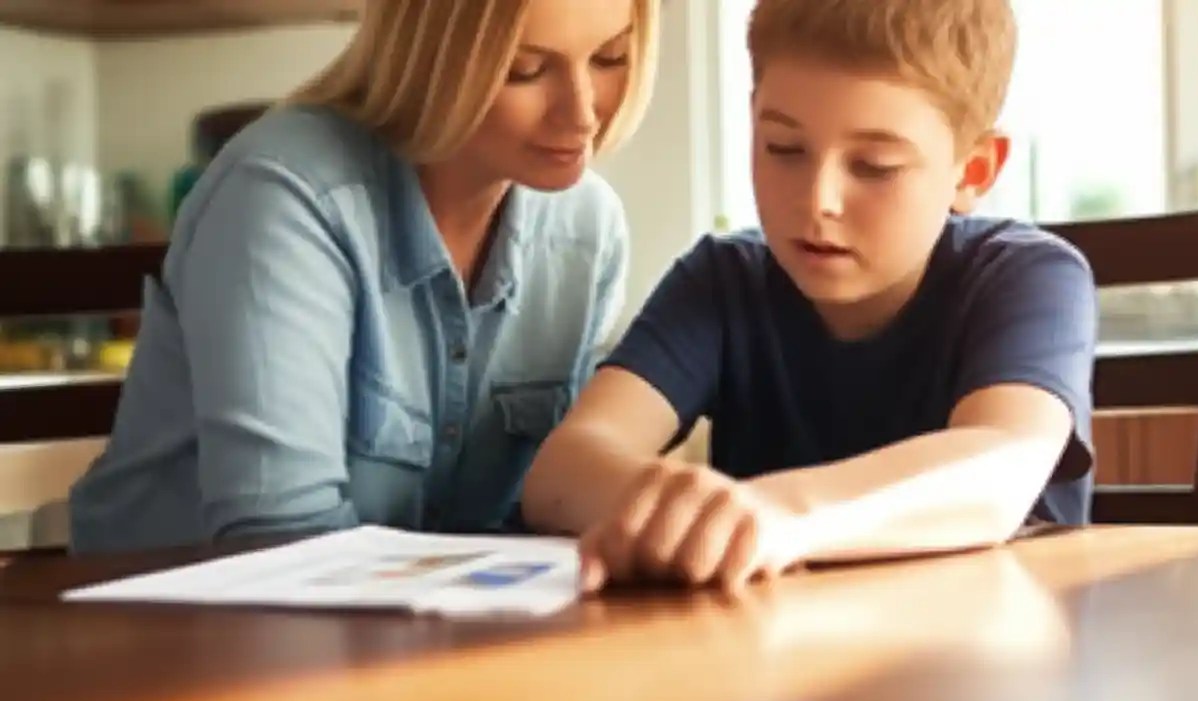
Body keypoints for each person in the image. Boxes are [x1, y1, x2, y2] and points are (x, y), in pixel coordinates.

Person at [521, 0, 1097, 593]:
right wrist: (684, 515)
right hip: (766, 655)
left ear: (973, 170)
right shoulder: (723, 283)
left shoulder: (1027, 277)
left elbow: (1002, 465)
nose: (819, 199)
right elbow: (562, 470)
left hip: (986, 657)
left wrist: (780, 512)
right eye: (783, 149)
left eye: (874, 166)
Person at [68, 0, 659, 554]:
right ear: (430, 58)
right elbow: (280, 545)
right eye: (526, 71)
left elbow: (541, 512)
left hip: (418, 638)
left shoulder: (588, 228)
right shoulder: (285, 195)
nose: (583, 112)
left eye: (611, 58)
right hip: (168, 635)